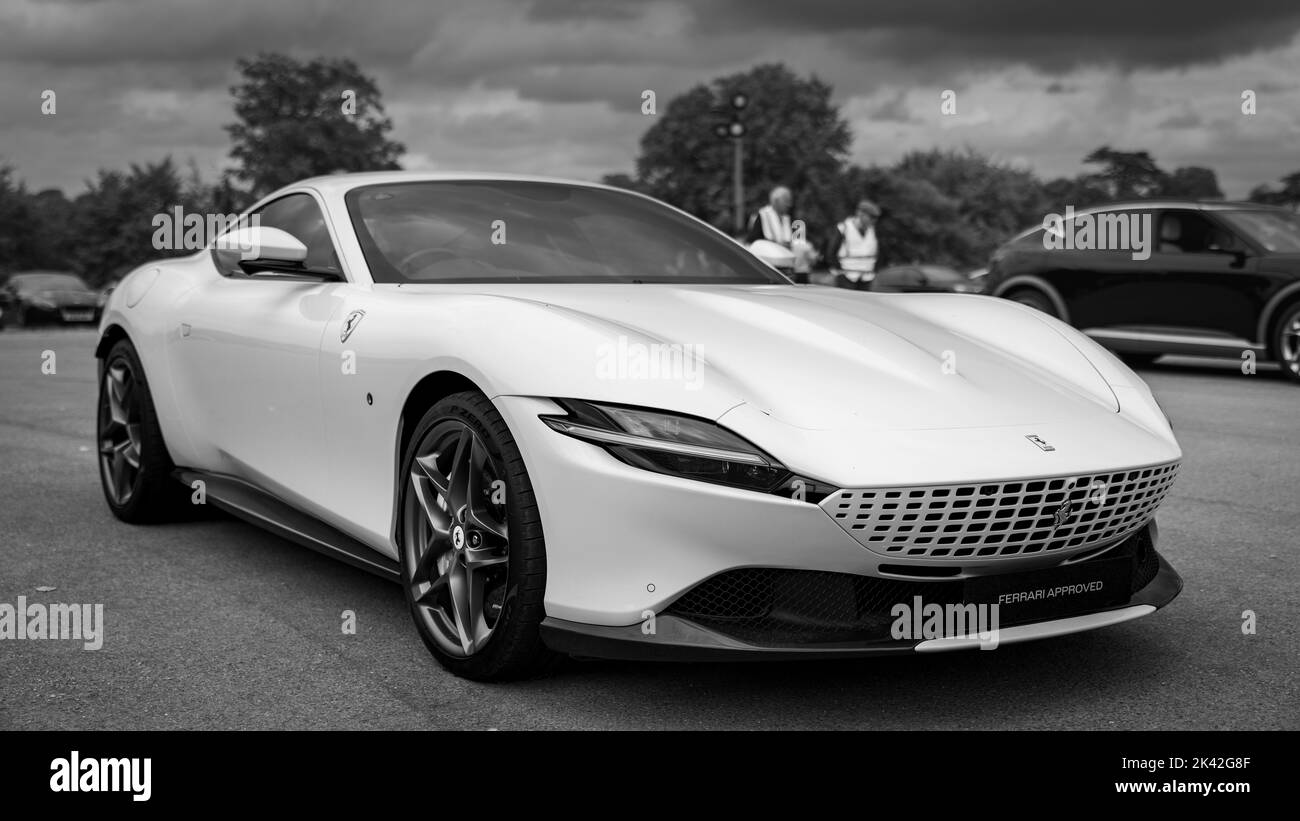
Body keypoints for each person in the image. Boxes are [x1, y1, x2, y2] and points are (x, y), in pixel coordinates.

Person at [745, 186, 818, 282]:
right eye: (786, 201)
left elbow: (799, 241)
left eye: (790, 201)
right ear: (775, 201)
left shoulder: (789, 218)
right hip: (770, 264)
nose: (789, 205)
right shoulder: (763, 215)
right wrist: (775, 244)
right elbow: (753, 241)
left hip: (788, 264)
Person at [829, 199, 881, 290]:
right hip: (846, 277)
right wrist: (840, 270)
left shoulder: (873, 231)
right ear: (861, 214)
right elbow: (831, 252)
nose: (873, 221)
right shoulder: (843, 228)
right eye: (871, 217)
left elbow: (878, 253)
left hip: (867, 278)